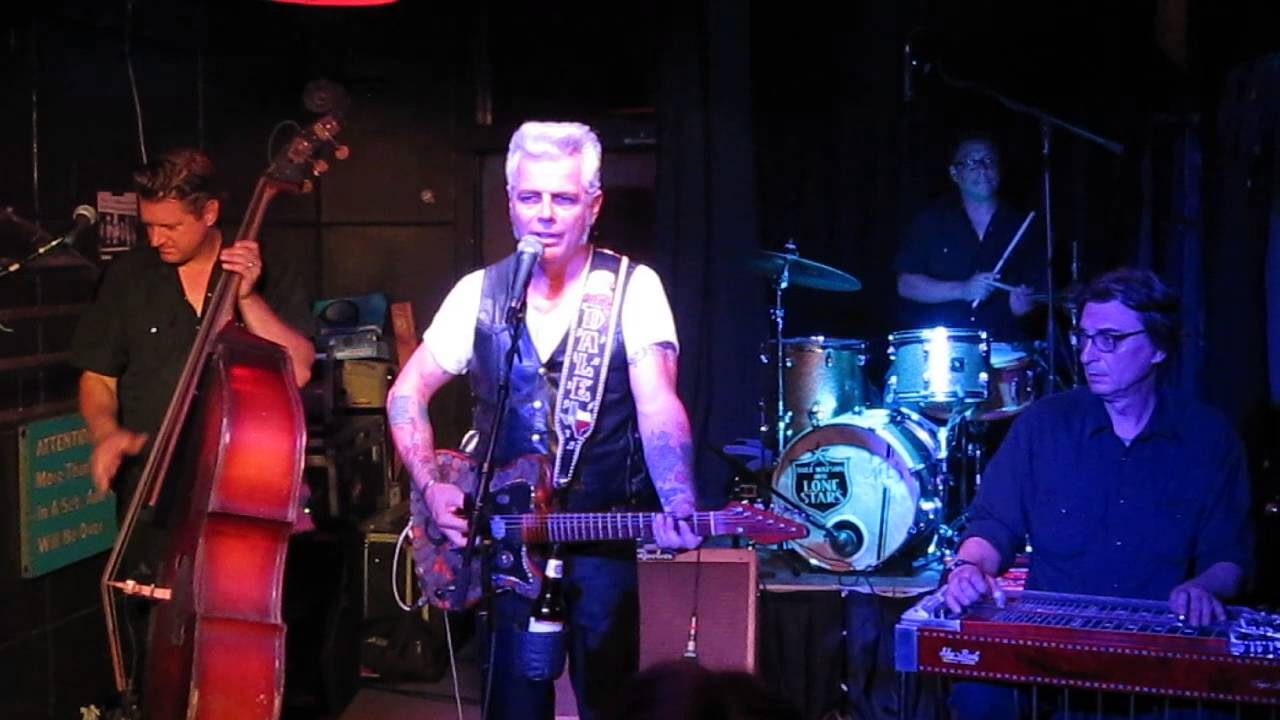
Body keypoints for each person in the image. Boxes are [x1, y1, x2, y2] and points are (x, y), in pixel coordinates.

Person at [386, 121, 701, 720]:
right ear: (510, 204)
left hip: (600, 533)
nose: (545, 214)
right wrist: (431, 485)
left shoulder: (633, 289)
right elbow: (406, 395)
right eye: (531, 197)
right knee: (511, 702)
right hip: (506, 540)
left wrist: (678, 495)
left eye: (564, 198)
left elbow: (658, 401)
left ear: (593, 205)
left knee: (610, 701)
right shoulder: (479, 293)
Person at [941, 268, 1254, 719]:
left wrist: (1202, 588)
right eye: (1084, 337)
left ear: (1159, 347)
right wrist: (969, 567)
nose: (1089, 354)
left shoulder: (1208, 437)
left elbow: (1228, 556)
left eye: (1109, 339)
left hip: (1158, 655)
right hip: (1048, 656)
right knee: (977, 695)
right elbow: (993, 524)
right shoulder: (1043, 425)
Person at [70, 146, 315, 515]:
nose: (156, 240)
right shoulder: (129, 276)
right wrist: (106, 433)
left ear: (209, 212)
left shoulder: (268, 264)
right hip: (150, 485)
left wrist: (247, 298)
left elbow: (298, 370)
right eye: (149, 225)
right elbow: (98, 377)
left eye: (170, 227)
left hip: (243, 481)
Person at [895, 133, 1044, 341]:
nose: (982, 168)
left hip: (1008, 349)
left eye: (989, 161)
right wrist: (962, 289)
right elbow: (906, 285)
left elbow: (1040, 294)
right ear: (954, 173)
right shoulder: (931, 221)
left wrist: (1024, 308)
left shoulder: (1026, 225)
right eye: (972, 162)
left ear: (999, 171)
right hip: (947, 347)